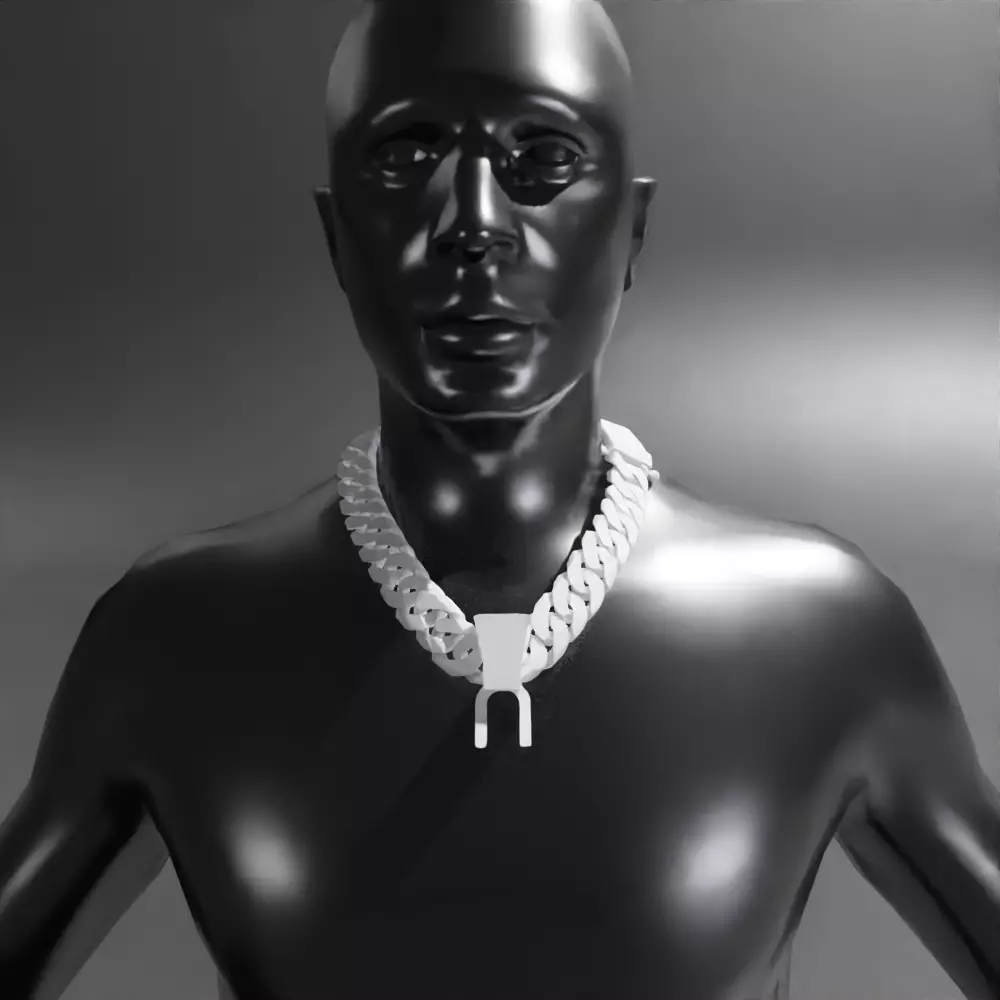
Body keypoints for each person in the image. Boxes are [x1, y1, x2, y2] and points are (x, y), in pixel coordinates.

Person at [1, 0, 998, 997]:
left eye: (544, 157)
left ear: (633, 225)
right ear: (337, 235)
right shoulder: (174, 642)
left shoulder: (825, 637)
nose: (472, 222)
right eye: (407, 155)